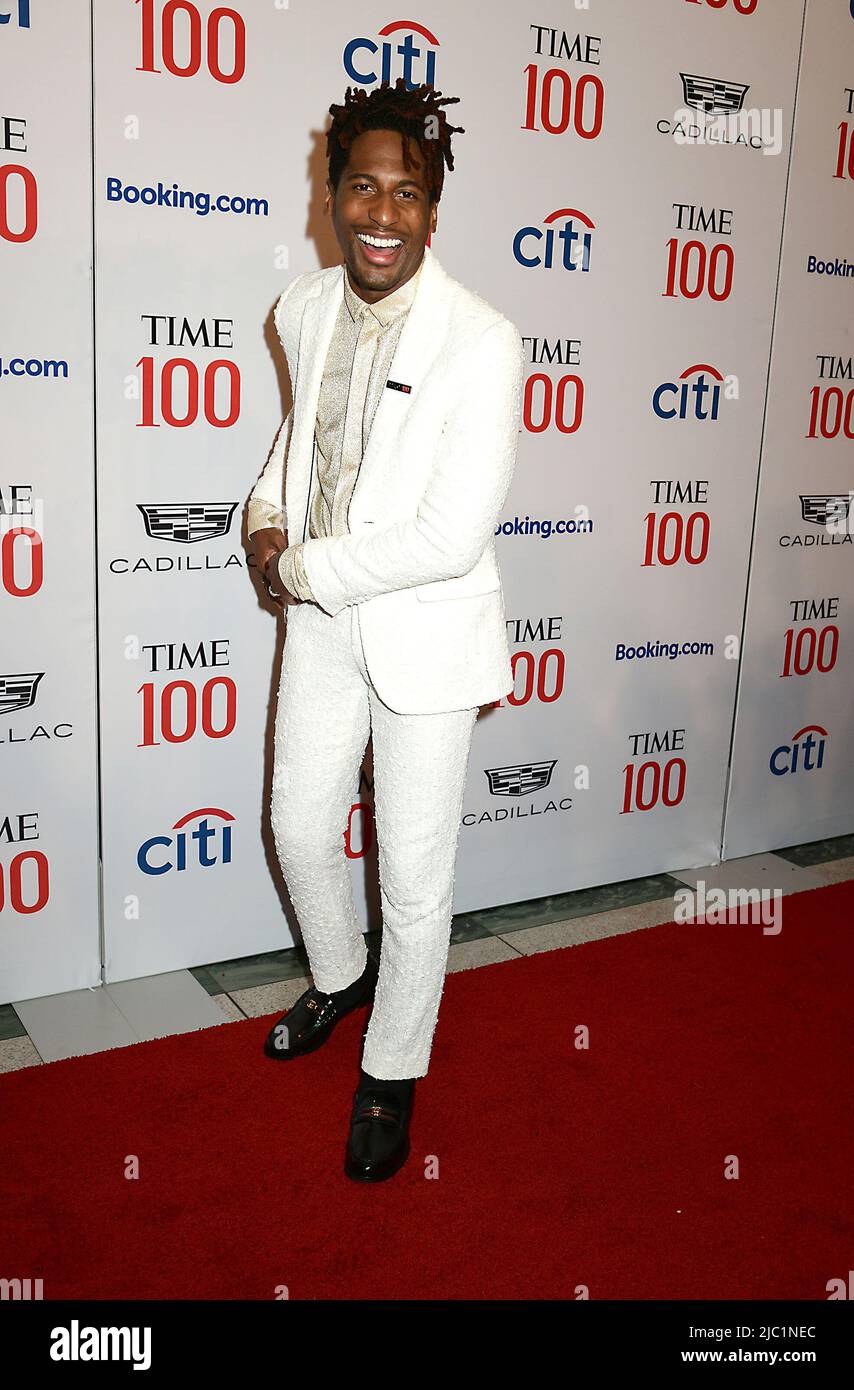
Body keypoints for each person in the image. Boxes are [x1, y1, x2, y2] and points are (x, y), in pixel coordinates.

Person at [247, 78, 523, 1183]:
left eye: (405, 192)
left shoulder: (482, 340)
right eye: (360, 186)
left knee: (413, 875)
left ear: (433, 206)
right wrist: (263, 514)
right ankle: (338, 971)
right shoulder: (301, 309)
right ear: (330, 196)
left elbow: (448, 537)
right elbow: (303, 444)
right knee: (298, 828)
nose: (381, 212)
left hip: (423, 638)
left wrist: (301, 564)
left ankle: (392, 1066)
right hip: (321, 631)